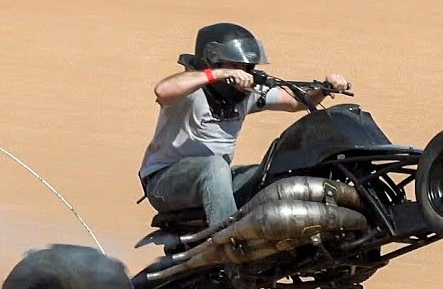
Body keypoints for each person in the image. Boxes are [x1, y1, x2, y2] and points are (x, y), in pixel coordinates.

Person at [138, 22, 351, 227]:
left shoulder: (246, 94)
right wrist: (219, 75)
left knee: (271, 172)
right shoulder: (190, 92)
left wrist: (325, 89)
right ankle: (228, 241)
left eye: (245, 67)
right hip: (164, 184)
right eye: (234, 65)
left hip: (216, 179)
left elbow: (295, 102)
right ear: (213, 62)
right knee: (215, 166)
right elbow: (162, 90)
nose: (242, 72)